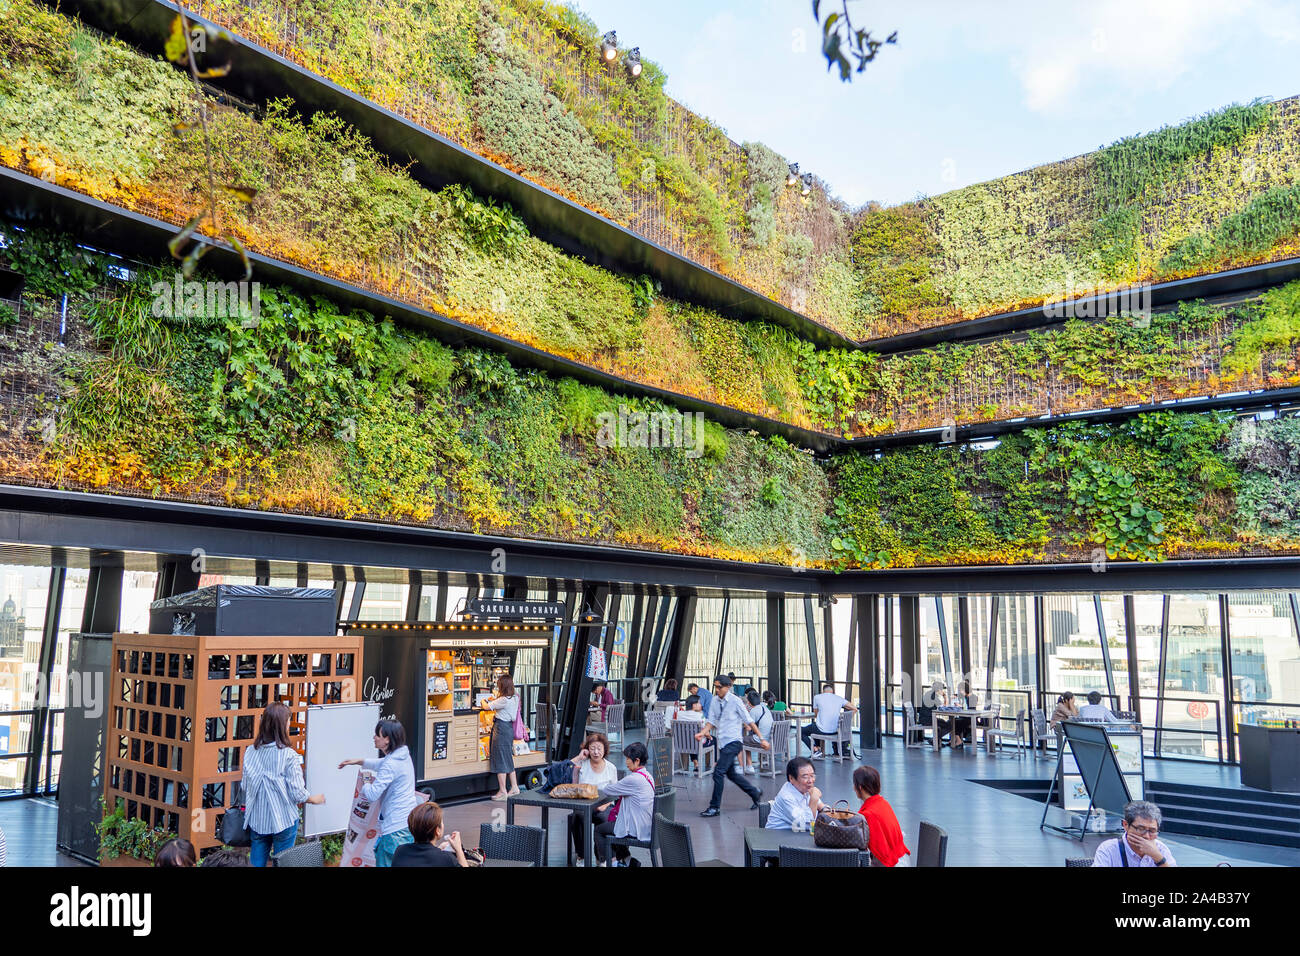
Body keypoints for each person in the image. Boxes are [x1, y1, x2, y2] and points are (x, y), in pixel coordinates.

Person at [243, 701, 326, 867]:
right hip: (284, 818)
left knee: (256, 863)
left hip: (257, 818)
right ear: (282, 725)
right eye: (288, 720)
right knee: (284, 862)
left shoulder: (251, 751)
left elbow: (245, 786)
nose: (289, 724)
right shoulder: (289, 755)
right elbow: (297, 793)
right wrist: (314, 799)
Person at [339, 718, 417, 867]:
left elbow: (372, 794)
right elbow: (381, 764)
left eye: (377, 735)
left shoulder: (392, 763)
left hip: (394, 828)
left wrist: (366, 781)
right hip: (406, 822)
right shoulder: (402, 756)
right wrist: (358, 761)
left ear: (387, 739)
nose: (374, 737)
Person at [698, 675, 767, 817]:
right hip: (723, 743)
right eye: (715, 686)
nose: (717, 690)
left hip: (734, 742)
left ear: (728, 687)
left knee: (718, 772)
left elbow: (749, 721)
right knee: (732, 774)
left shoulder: (736, 701)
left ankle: (714, 807)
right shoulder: (714, 701)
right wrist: (702, 732)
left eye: (719, 687)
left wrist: (762, 739)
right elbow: (711, 721)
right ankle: (755, 792)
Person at [593, 741, 655, 867]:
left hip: (636, 827)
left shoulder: (633, 779)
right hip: (646, 825)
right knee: (614, 825)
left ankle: (611, 863)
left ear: (636, 760)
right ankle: (628, 860)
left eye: (627, 758)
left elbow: (607, 790)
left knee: (600, 830)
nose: (626, 762)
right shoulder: (647, 775)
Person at [567, 732, 619, 863]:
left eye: (599, 748)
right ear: (587, 750)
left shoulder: (611, 768)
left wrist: (605, 805)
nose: (596, 752)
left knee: (604, 819)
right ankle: (582, 855)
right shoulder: (582, 765)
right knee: (576, 818)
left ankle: (601, 858)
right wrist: (576, 767)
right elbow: (574, 787)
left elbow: (615, 793)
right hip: (584, 805)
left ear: (604, 749)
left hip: (604, 805)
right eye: (592, 748)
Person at [853, 765, 910, 866]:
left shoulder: (867, 815)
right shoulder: (882, 803)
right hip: (901, 859)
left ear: (860, 787)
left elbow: (858, 844)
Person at [1092, 801, 1176, 867]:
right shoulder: (1109, 849)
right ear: (1125, 825)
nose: (1146, 836)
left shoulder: (1161, 849)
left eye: (1152, 830)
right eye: (1140, 829)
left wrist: (1158, 858)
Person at [480, 674, 521, 800]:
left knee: (500, 759)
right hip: (508, 729)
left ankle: (502, 791)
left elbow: (486, 707)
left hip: (501, 729)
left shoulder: (504, 700)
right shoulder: (515, 697)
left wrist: (483, 700)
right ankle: (514, 787)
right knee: (507, 758)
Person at [392, 801, 469, 867]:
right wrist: (459, 850)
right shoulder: (447, 859)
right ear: (437, 831)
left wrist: (438, 849)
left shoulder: (400, 851)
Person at [765, 756, 824, 830]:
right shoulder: (786, 797)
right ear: (791, 778)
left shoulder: (805, 789)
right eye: (805, 777)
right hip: (777, 837)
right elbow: (807, 825)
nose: (810, 780)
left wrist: (826, 809)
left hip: (794, 834)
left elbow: (821, 806)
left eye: (812, 775)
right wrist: (814, 799)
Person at [805, 682, 857, 758]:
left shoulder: (817, 697)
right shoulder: (839, 698)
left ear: (823, 691)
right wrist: (847, 720)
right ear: (832, 692)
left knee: (802, 731)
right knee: (815, 727)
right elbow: (854, 708)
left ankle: (816, 750)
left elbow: (816, 714)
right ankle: (821, 750)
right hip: (836, 731)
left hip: (821, 730)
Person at [740, 688, 774, 774]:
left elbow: (748, 728)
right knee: (748, 738)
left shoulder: (754, 711)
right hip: (770, 739)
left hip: (761, 740)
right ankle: (760, 763)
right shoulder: (764, 708)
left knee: (741, 741)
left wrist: (744, 719)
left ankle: (749, 766)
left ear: (748, 702)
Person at [916, 680, 953, 745]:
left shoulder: (928, 693)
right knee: (949, 726)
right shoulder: (933, 696)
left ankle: (936, 741)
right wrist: (944, 696)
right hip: (927, 720)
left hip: (923, 718)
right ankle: (934, 739)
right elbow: (944, 707)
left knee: (942, 722)